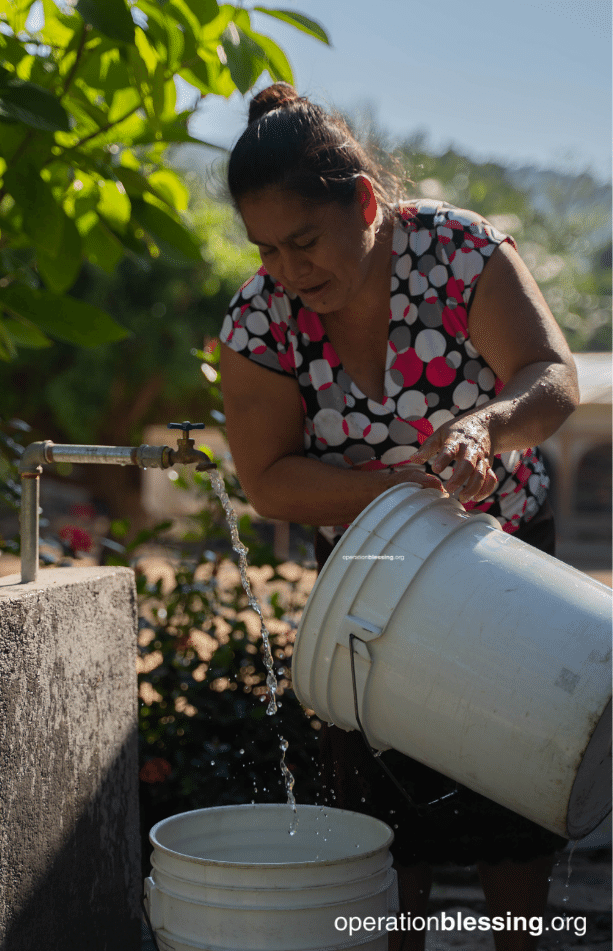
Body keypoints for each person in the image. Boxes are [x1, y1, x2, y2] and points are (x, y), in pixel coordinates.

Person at [218, 82, 579, 951]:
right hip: (373, 578)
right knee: (388, 805)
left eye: (305, 241)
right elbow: (269, 482)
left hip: (505, 554)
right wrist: (410, 487)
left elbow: (550, 377)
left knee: (516, 788)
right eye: (267, 250)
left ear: (367, 202)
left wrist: (485, 425)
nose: (290, 271)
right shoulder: (259, 321)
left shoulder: (458, 250)